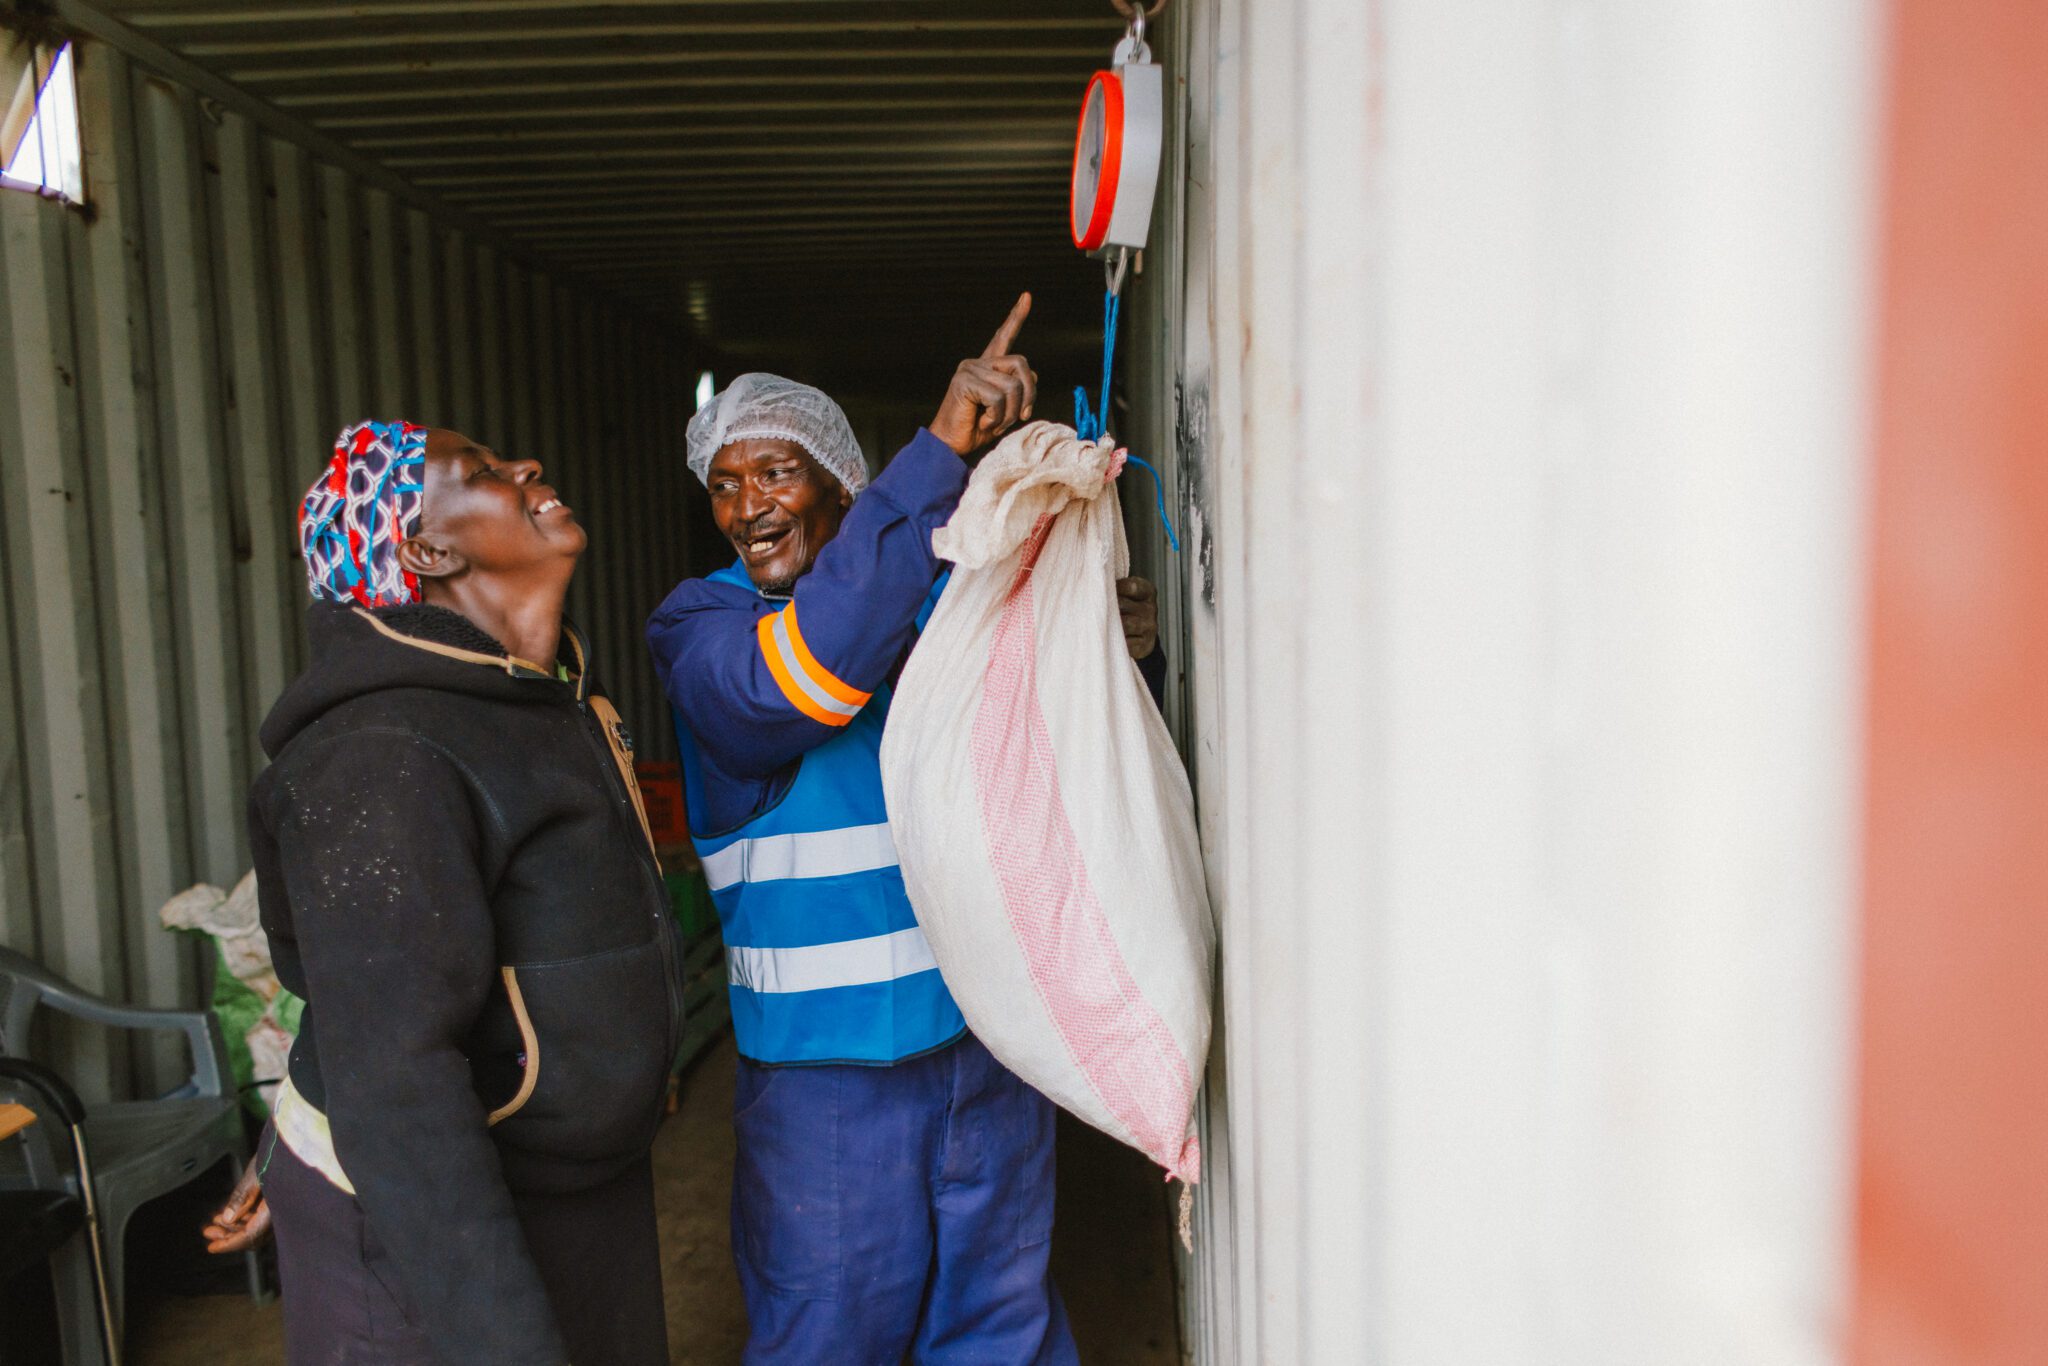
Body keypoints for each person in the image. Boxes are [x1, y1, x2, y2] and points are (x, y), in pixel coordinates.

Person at [646, 294, 1164, 1364]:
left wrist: (1114, 647)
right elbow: (806, 677)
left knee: (999, 1329)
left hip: (986, 1045)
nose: (747, 507)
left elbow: (1060, 751)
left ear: (843, 486)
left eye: (775, 473)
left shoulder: (944, 606)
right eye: (724, 485)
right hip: (826, 1088)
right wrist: (938, 453)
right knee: (829, 1338)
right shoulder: (703, 632)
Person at [242, 420, 683, 1365]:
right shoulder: (381, 755)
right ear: (428, 552)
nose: (527, 465)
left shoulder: (541, 697)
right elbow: (393, 1080)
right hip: (432, 1231)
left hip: (568, 1182)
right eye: (480, 471)